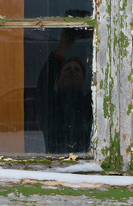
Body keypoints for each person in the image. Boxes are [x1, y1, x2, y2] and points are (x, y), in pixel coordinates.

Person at [36, 26, 93, 154]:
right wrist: (60, 52)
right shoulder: (50, 103)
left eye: (77, 70)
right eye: (67, 69)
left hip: (87, 165)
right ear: (57, 80)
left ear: (83, 82)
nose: (72, 70)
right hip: (55, 166)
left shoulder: (90, 104)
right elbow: (44, 84)